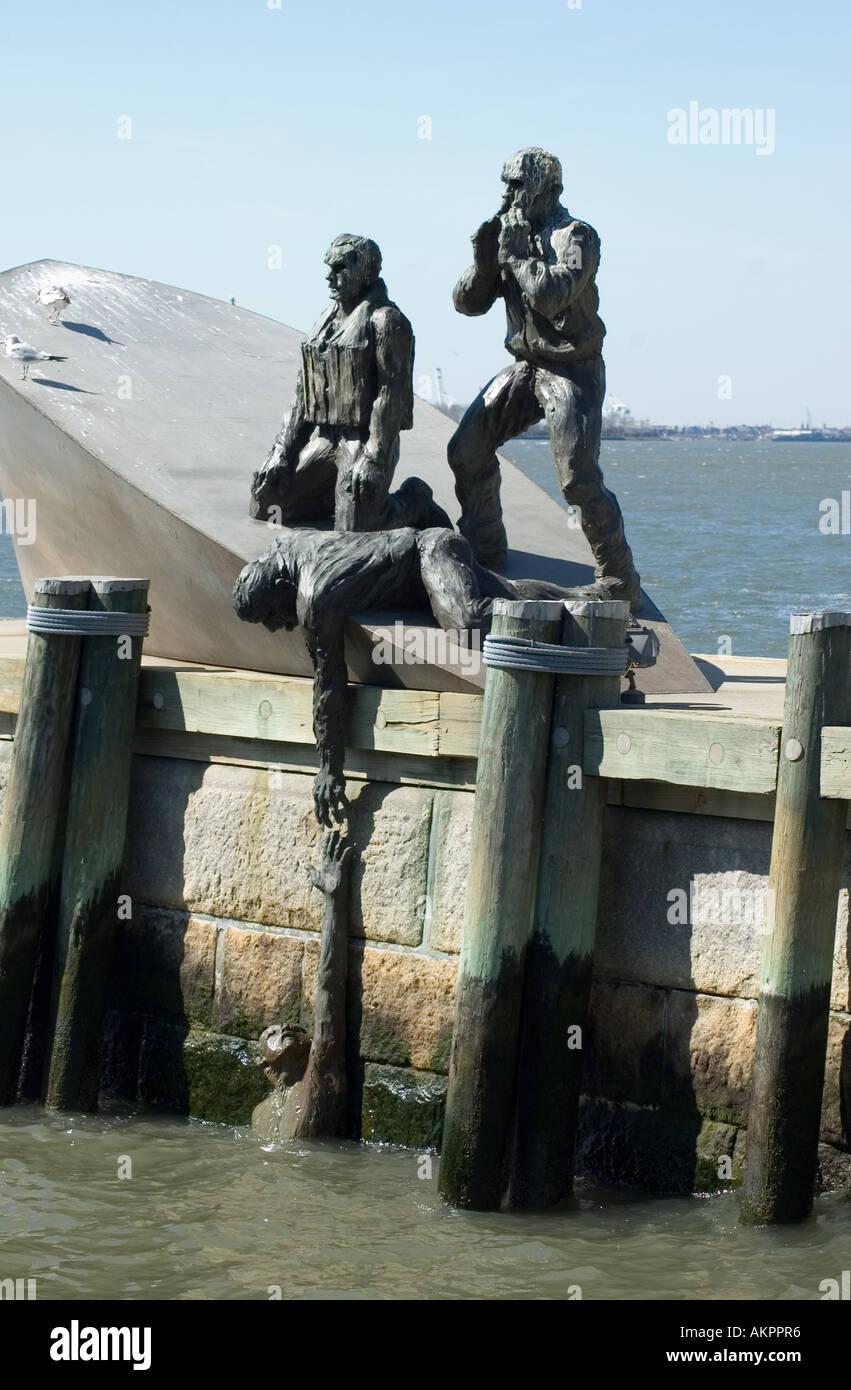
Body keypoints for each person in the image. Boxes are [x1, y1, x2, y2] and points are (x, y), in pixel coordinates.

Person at [233, 524, 568, 826]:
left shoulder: (313, 597)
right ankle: (594, 604)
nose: (274, 626)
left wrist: (329, 767)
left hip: (431, 552)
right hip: (431, 549)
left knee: (468, 621)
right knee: (512, 593)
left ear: (281, 584)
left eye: (270, 614)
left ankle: (576, 622)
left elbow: (329, 682)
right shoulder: (287, 544)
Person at [448, 147, 641, 611]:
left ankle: (619, 579)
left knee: (578, 479)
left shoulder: (577, 236)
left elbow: (553, 295)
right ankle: (486, 545)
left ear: (546, 189)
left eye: (516, 185)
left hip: (573, 369)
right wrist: (483, 260)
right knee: (466, 450)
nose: (507, 194)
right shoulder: (510, 237)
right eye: (505, 184)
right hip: (526, 365)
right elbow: (467, 304)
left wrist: (514, 257)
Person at [251, 233, 433, 532]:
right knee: (268, 499)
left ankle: (414, 503)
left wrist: (374, 458)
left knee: (356, 526)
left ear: (367, 272)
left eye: (339, 268)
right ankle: (330, 497)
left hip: (363, 439)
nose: (329, 276)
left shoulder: (387, 321)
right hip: (324, 437)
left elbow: (390, 395)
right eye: (328, 268)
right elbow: (302, 393)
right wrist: (281, 451)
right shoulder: (324, 320)